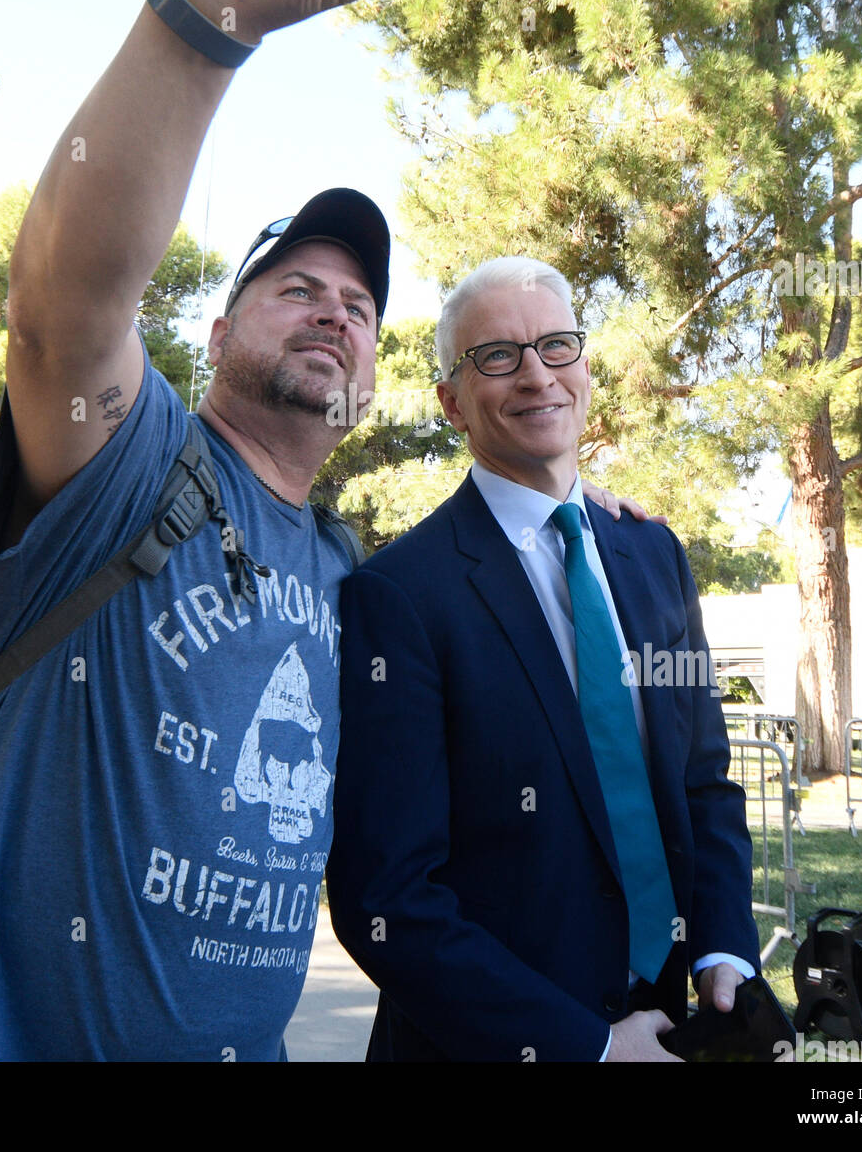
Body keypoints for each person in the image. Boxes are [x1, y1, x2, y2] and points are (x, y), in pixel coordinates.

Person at [0, 0, 644, 1061]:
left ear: (376, 378)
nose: (331, 312)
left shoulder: (352, 575)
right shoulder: (124, 461)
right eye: (292, 290)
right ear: (213, 336)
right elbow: (62, 307)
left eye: (360, 306)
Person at [326, 256, 761, 1062]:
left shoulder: (653, 552)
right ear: (451, 402)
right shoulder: (398, 595)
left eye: (556, 345)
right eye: (497, 356)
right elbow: (384, 896)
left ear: (585, 368)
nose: (535, 375)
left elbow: (703, 780)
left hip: (671, 1024)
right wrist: (584, 1048)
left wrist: (723, 951)